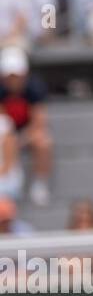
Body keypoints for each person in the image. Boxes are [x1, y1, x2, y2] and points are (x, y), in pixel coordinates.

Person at [0, 47, 53, 207]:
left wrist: (20, 139)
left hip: (24, 133)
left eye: (16, 76)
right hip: (4, 133)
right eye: (10, 76)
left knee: (43, 141)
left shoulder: (34, 89)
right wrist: (9, 140)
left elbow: (38, 122)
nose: (13, 80)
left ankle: (40, 183)